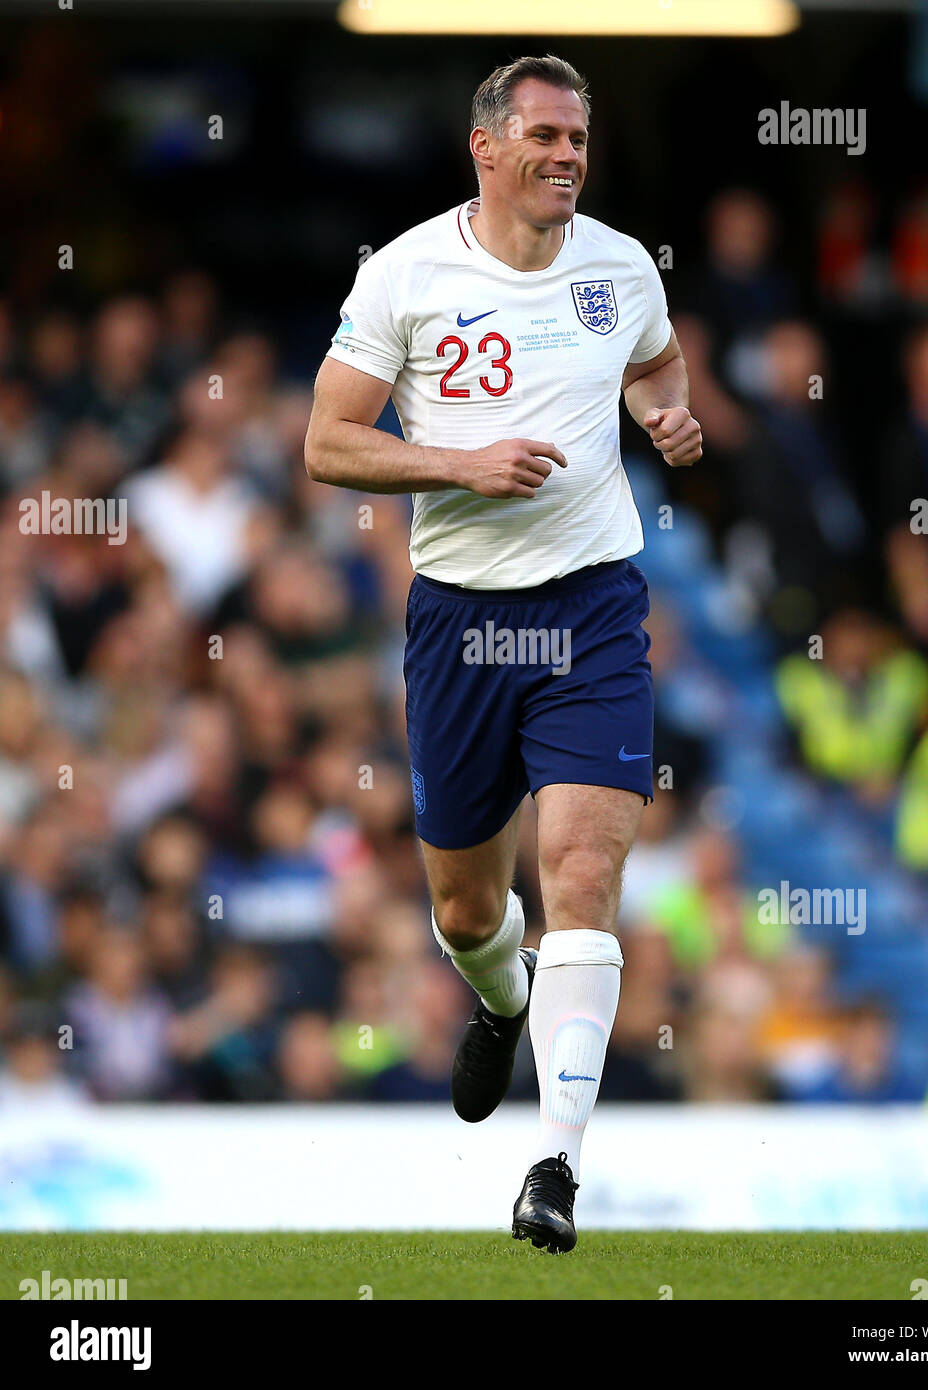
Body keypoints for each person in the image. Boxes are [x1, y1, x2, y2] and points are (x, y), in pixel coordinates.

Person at [304, 55, 702, 1252]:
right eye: (543, 135)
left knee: (576, 878)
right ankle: (501, 997)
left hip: (589, 611)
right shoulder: (408, 274)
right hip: (461, 623)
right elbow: (326, 439)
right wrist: (458, 463)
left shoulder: (620, 265)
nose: (567, 155)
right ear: (486, 148)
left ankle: (555, 1166)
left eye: (578, 137)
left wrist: (662, 414)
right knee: (470, 906)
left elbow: (655, 360)